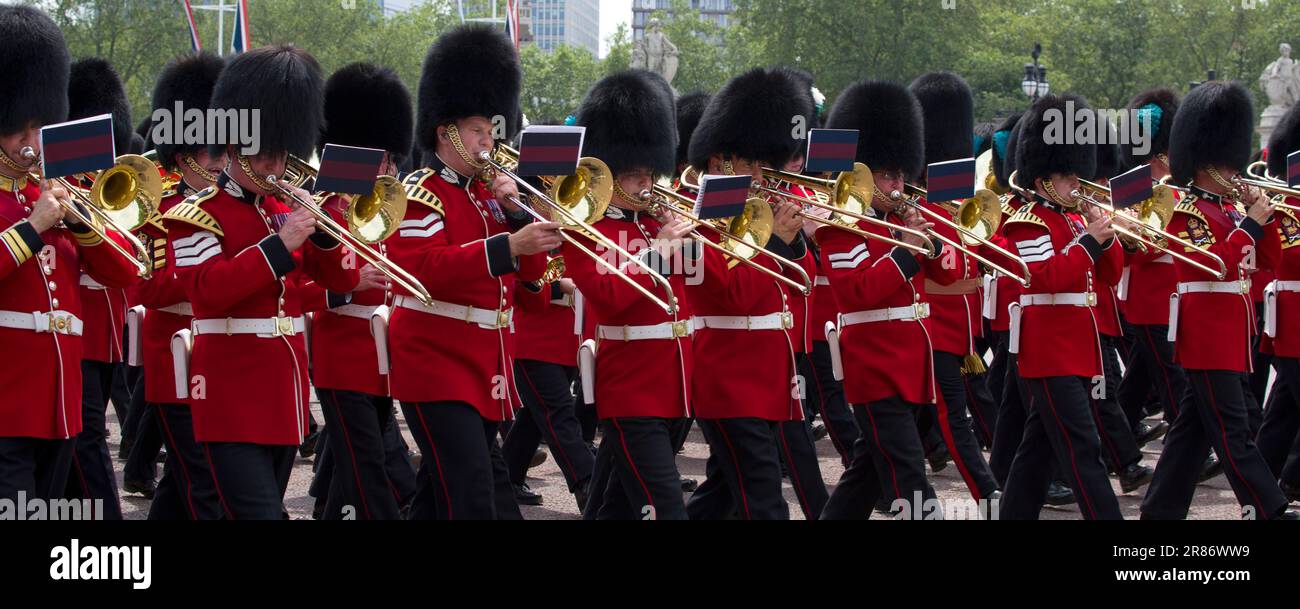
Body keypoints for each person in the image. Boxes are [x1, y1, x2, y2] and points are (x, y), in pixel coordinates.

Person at [162, 44, 359, 519]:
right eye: (265, 153)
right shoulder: (197, 214)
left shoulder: (284, 209)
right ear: (233, 145)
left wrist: (328, 230)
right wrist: (280, 244)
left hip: (281, 391)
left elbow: (342, 278)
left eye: (281, 152)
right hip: (229, 393)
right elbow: (206, 291)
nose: (275, 165)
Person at [387, 25, 558, 520]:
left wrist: (521, 216)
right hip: (434, 364)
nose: (490, 142)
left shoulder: (488, 196)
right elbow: (420, 268)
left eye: (491, 132)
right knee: (476, 497)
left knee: (439, 498)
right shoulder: (420, 191)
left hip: (483, 365)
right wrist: (507, 244)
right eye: (479, 131)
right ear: (446, 132)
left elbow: (527, 288)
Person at [0, 5, 139, 507]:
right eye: (19, 127)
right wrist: (35, 227)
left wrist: (81, 225)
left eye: (39, 126)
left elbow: (127, 270)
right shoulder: (25, 207)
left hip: (58, 406)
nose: (31, 142)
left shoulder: (57, 192)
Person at [1140, 81, 1297, 520]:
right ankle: (1268, 507)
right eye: (1230, 166)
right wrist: (1249, 224)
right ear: (1209, 163)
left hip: (1231, 329)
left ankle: (1159, 511)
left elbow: (1264, 264)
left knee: (1191, 432)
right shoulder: (1187, 211)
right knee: (1232, 429)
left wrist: (1261, 221)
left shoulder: (1227, 210)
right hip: (1207, 330)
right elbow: (1212, 265)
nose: (1237, 173)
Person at [816, 80, 950, 519]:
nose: (898, 185)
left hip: (909, 365)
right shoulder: (842, 228)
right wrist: (908, 251)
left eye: (900, 174)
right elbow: (856, 294)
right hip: (875, 368)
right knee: (910, 477)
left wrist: (929, 236)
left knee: (867, 476)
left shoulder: (898, 222)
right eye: (888, 175)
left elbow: (948, 274)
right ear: (860, 174)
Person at [999, 93, 1124, 520]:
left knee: (1038, 450)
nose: (1077, 183)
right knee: (1082, 448)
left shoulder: (1072, 219)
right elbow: (1047, 277)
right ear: (1041, 179)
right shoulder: (1025, 220)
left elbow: (1109, 277)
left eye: (1077, 173)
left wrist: (1106, 235)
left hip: (1077, 348)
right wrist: (1090, 240)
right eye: (1067, 175)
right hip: (1048, 350)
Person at [135, 52, 226, 519]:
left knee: (184, 480)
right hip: (173, 355)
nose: (220, 161)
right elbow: (146, 289)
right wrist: (206, 284)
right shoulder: (156, 206)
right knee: (203, 477)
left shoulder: (232, 206)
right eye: (211, 152)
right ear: (183, 153)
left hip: (221, 358)